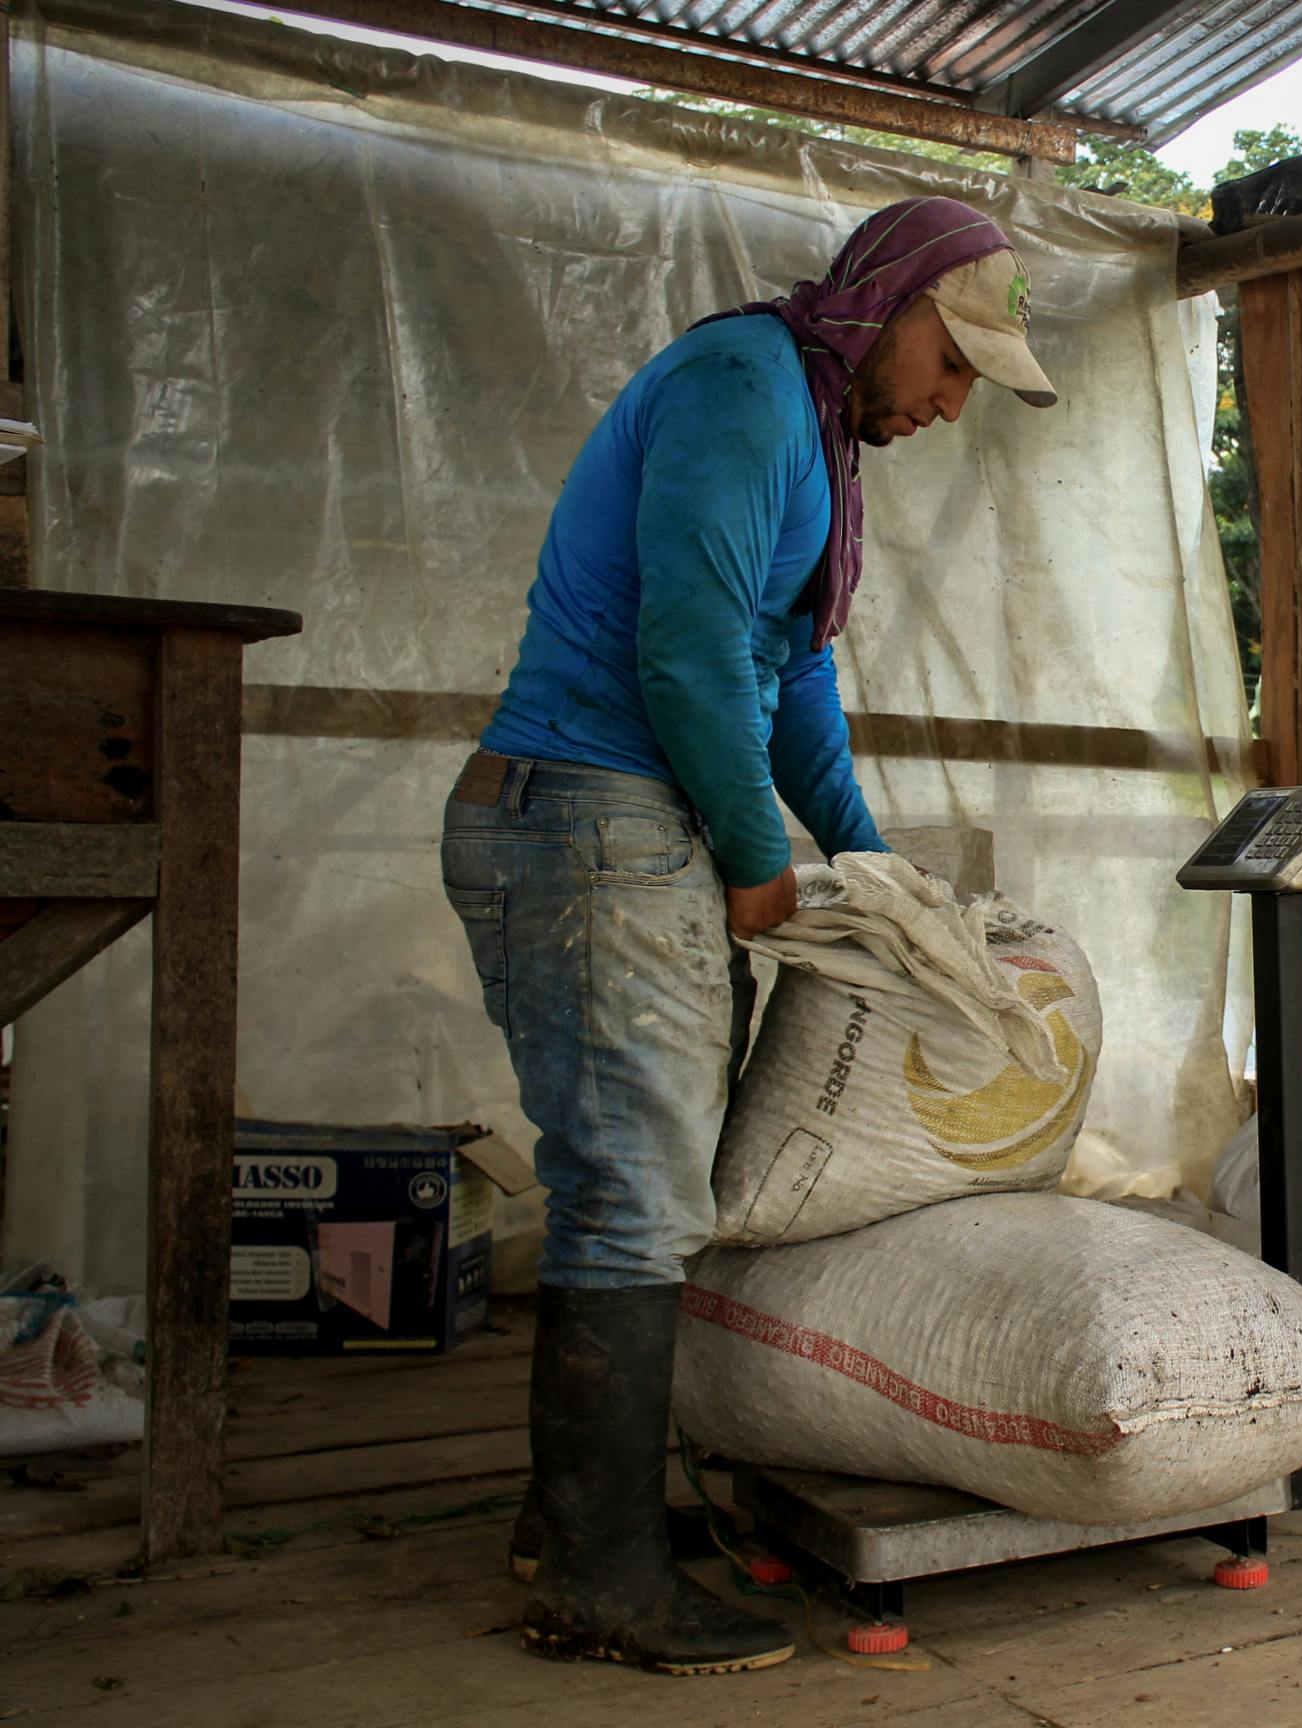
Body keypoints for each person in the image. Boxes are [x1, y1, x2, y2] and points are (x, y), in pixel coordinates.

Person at [439, 195, 1056, 1675]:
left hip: (619, 818)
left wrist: (872, 863)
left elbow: (785, 680)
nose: (954, 402)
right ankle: (599, 1577)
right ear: (892, 303)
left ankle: (573, 1522)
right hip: (586, 811)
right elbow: (689, 645)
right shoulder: (744, 385)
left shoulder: (819, 439)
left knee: (629, 1181)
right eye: (954, 365)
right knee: (633, 1197)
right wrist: (757, 859)